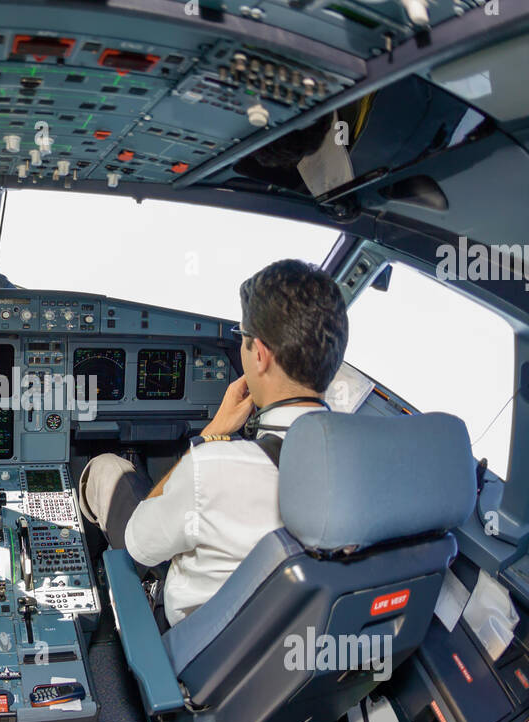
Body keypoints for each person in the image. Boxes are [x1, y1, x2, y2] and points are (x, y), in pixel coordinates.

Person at [78, 259, 349, 628]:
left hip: (191, 642)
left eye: (242, 336)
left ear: (260, 355)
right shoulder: (365, 467)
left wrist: (209, 436)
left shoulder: (215, 466)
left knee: (106, 468)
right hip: (282, 641)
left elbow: (137, 541)